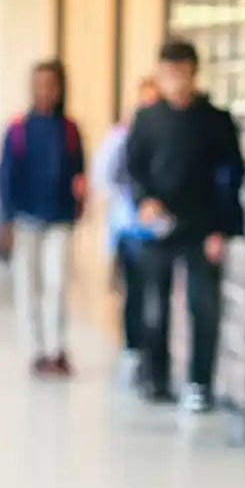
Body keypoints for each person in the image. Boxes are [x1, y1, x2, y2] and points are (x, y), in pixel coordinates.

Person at [126, 40, 245, 411]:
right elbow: (133, 168)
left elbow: (231, 175)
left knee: (203, 307)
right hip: (158, 228)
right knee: (154, 306)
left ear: (194, 73)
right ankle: (156, 378)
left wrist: (222, 229)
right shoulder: (147, 119)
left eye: (181, 72)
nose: (175, 80)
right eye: (168, 73)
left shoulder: (215, 120)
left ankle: (200, 383)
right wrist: (144, 200)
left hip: (203, 227)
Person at [0, 59, 86, 377]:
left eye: (51, 84)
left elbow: (79, 174)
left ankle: (57, 348)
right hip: (25, 219)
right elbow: (6, 176)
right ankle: (36, 350)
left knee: (57, 284)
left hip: (60, 219)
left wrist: (80, 204)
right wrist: (5, 221)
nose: (45, 91)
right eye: (39, 84)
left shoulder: (70, 130)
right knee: (28, 286)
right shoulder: (18, 130)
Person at [93, 77, 160, 377]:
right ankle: (133, 345)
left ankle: (154, 352)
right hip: (129, 227)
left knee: (157, 292)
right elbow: (103, 177)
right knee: (133, 290)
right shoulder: (121, 136)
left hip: (160, 229)